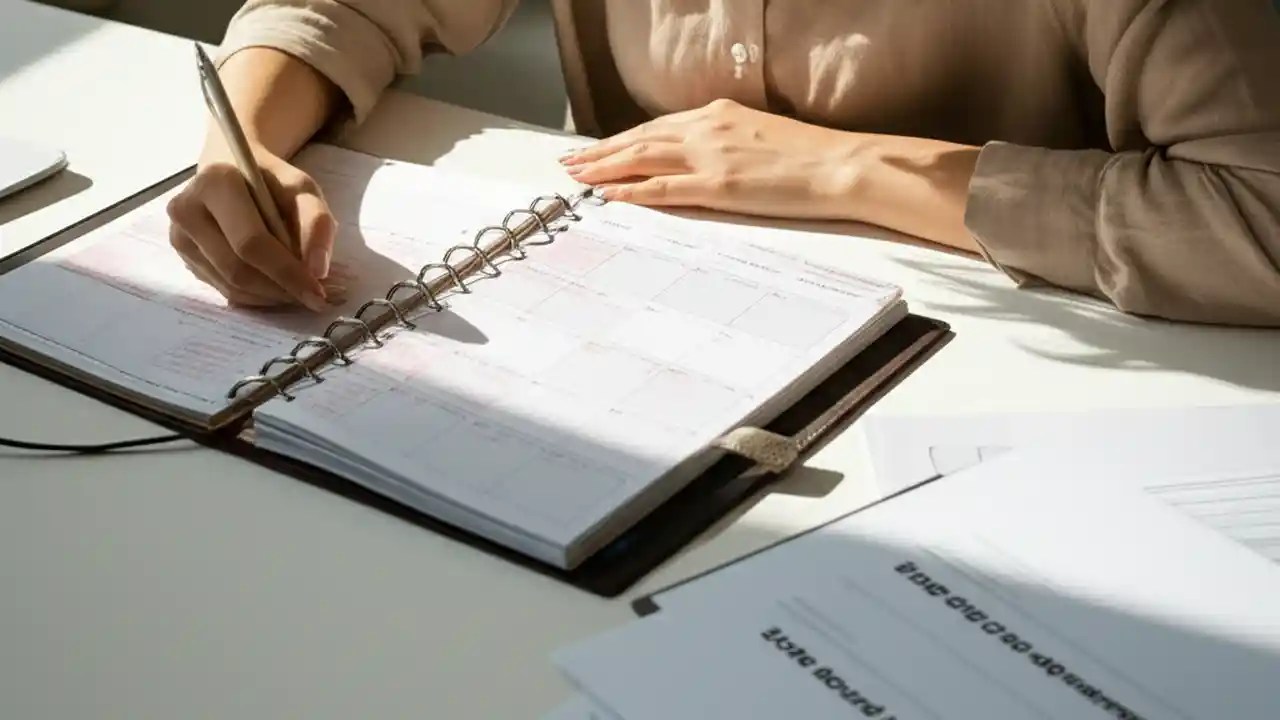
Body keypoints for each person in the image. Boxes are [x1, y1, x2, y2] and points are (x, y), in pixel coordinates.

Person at [166, 1, 1280, 325]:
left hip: (1018, 354)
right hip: (643, 320)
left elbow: (1258, 220)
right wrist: (242, 140)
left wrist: (850, 167)